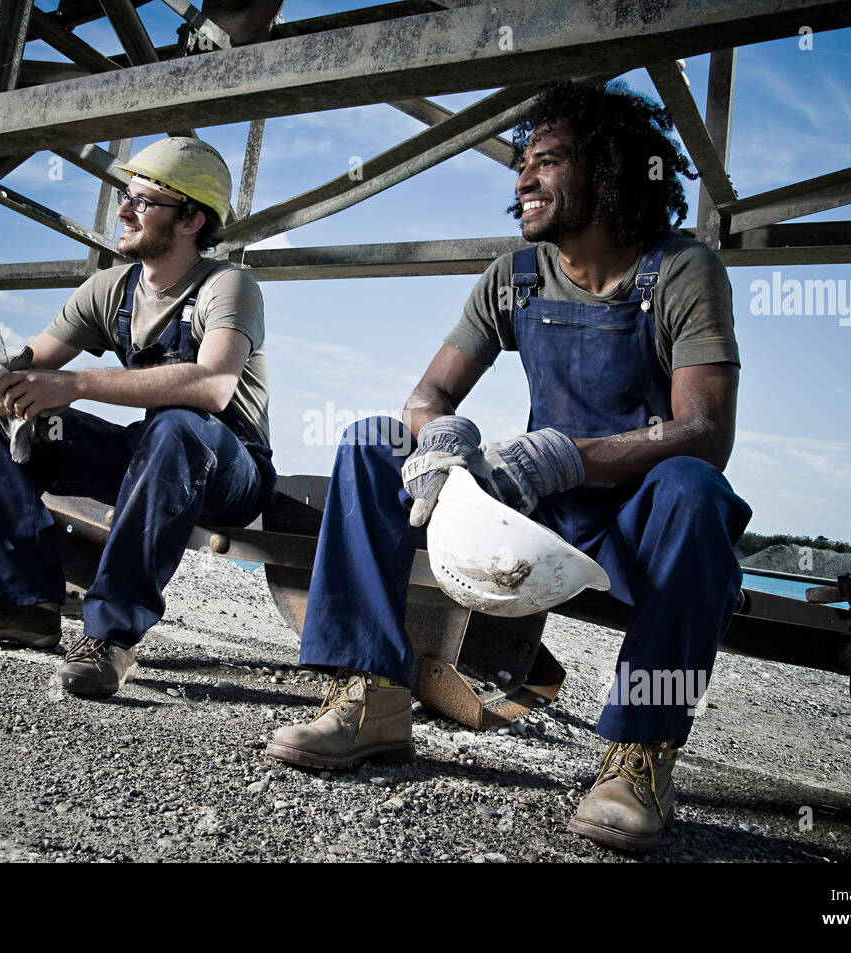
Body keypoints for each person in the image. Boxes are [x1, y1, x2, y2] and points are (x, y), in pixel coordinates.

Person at [267, 80, 752, 854]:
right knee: (370, 441)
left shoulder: (681, 271)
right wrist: (442, 439)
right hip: (535, 518)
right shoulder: (516, 275)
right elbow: (428, 392)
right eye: (520, 163)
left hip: (632, 530)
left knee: (696, 491)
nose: (522, 179)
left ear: (611, 170)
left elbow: (704, 430)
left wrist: (565, 455)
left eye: (548, 161)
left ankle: (639, 756)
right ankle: (372, 695)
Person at [0, 137, 274, 699]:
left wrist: (74, 385)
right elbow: (33, 364)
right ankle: (23, 605)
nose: (124, 210)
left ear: (191, 220)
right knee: (0, 422)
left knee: (177, 425)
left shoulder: (226, 285)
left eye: (143, 201)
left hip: (229, 470)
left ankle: (111, 637)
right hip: (151, 458)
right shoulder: (111, 290)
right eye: (124, 196)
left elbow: (212, 385)